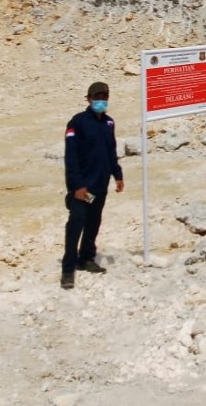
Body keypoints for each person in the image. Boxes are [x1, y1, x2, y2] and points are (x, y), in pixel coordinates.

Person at [62, 81, 124, 289]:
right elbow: (71, 158)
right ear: (88, 99)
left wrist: (118, 175)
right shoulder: (77, 123)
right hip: (82, 189)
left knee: (93, 222)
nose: (101, 101)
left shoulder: (109, 123)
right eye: (97, 97)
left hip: (100, 185)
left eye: (104, 97)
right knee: (76, 223)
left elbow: (111, 151)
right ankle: (68, 269)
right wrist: (77, 186)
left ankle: (86, 258)